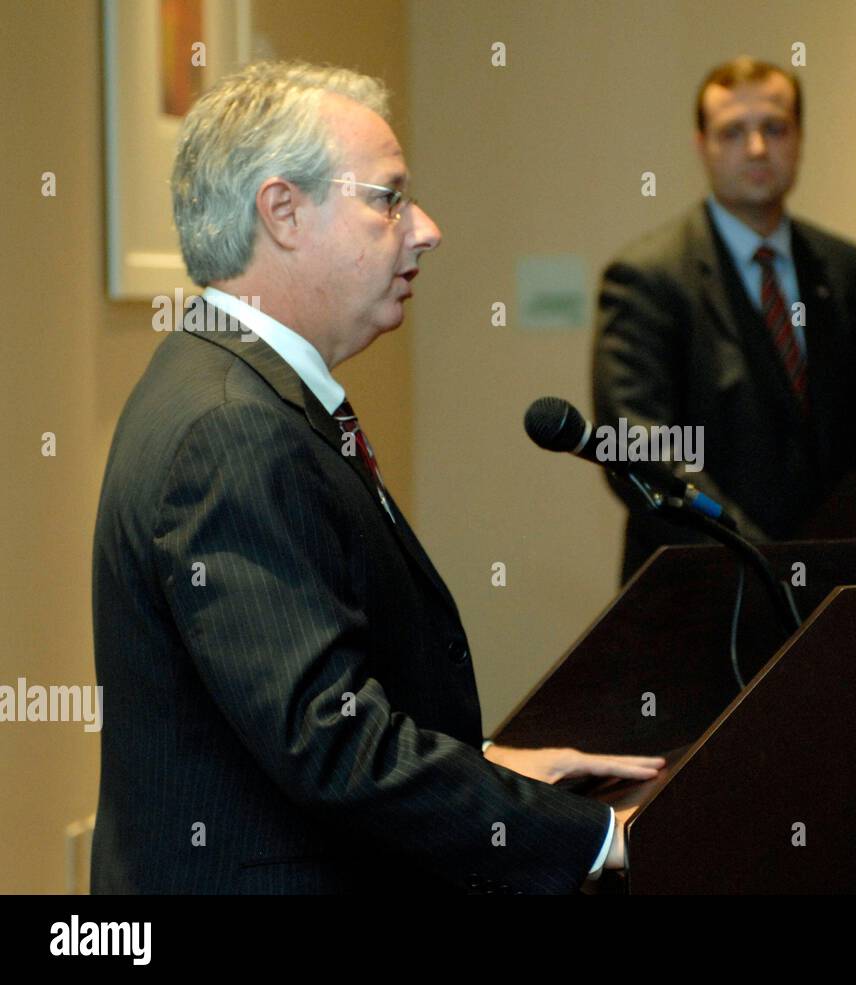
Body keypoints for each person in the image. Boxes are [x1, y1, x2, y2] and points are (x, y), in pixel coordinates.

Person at [91, 61, 661, 895]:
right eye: (388, 199)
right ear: (283, 212)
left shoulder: (231, 385)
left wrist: (487, 769)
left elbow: (305, 703)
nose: (425, 228)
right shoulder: (231, 427)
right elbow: (332, 746)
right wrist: (601, 834)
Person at [592, 56, 856, 583]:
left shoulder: (847, 268)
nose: (758, 147)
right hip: (699, 589)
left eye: (774, 128)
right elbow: (639, 447)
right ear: (702, 146)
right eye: (733, 132)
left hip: (840, 589)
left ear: (800, 138)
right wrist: (763, 560)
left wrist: (853, 559)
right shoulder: (646, 278)